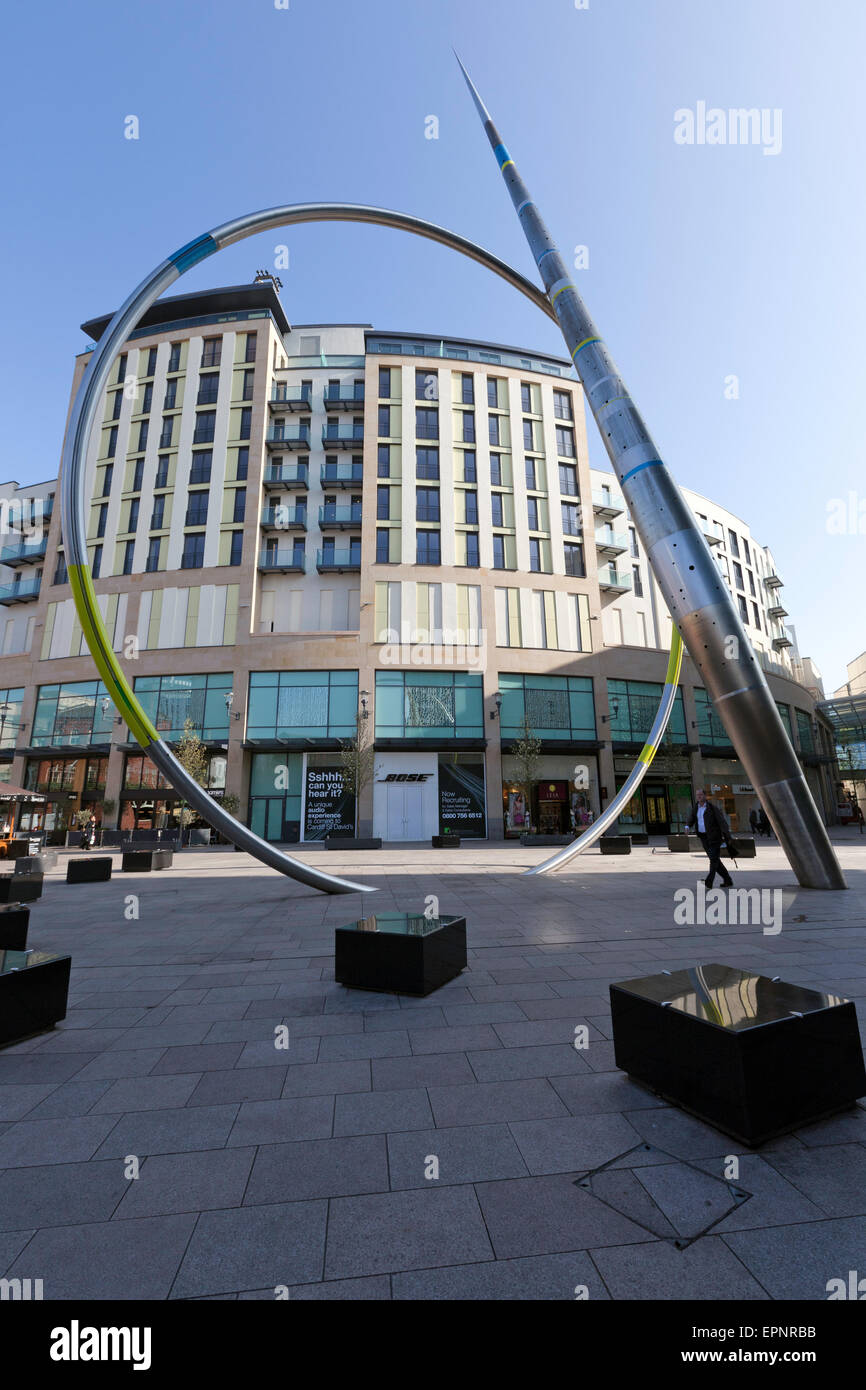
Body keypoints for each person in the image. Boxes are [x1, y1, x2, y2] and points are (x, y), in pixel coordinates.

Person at [686, 787, 734, 888]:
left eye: (700, 795)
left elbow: (722, 822)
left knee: (713, 860)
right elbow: (692, 818)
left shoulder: (712, 808)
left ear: (705, 796)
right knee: (715, 860)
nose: (698, 797)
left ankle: (709, 881)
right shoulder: (696, 807)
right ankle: (728, 880)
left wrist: (727, 836)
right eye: (697, 795)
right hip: (704, 837)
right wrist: (687, 826)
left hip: (714, 837)